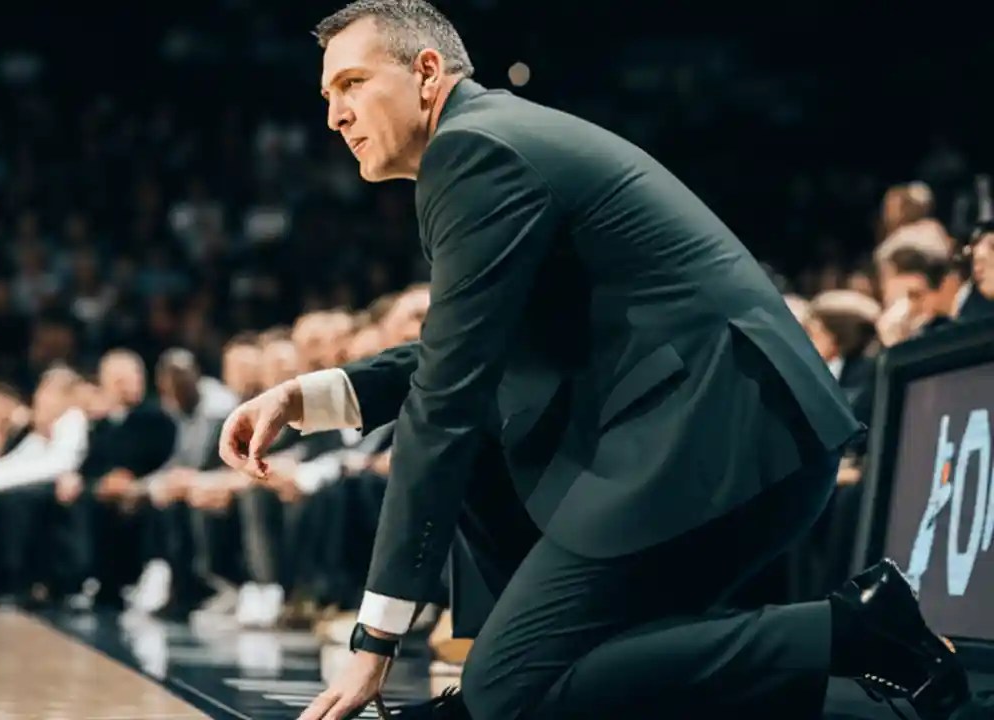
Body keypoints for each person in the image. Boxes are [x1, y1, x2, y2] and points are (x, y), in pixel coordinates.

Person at [217, 2, 973, 719]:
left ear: (425, 72)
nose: (334, 114)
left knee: (513, 685)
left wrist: (374, 638)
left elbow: (445, 396)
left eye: (352, 83)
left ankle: (854, 630)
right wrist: (309, 395)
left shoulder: (473, 151)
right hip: (722, 427)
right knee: (541, 674)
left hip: (721, 432)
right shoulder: (496, 139)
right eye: (325, 95)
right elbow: (462, 348)